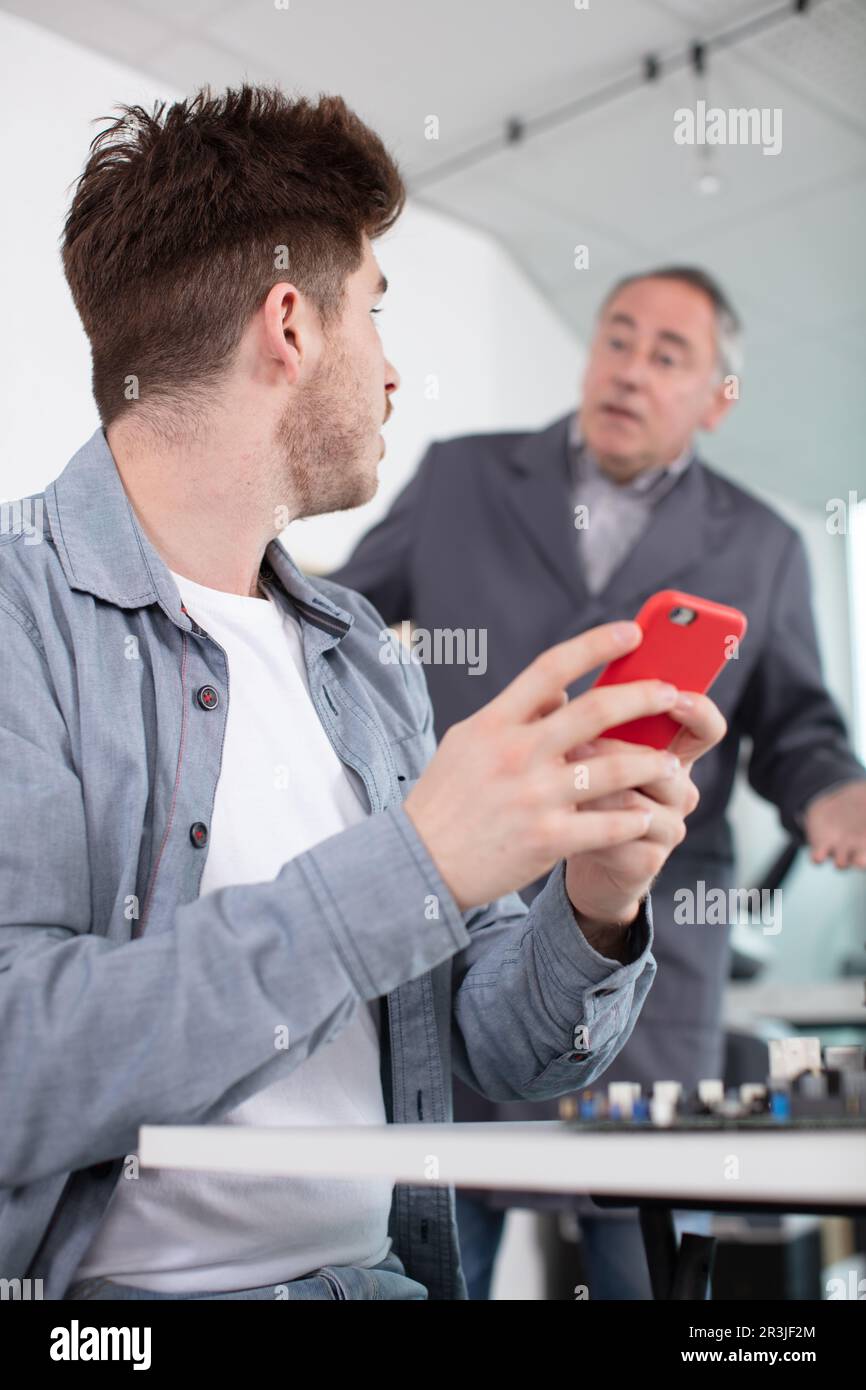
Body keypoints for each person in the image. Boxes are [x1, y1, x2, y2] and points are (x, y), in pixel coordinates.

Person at [0, 86, 725, 1302]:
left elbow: (495, 1043)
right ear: (289, 322)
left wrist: (594, 905)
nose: (391, 374)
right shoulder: (20, 617)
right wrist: (413, 865)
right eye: (373, 316)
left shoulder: (361, 658)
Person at [329, 265, 866, 1298]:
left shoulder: (758, 544)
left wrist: (831, 790)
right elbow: (337, 628)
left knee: (646, 1267)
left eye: (667, 356)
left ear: (717, 397)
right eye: (615, 338)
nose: (628, 369)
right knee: (434, 1246)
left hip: (642, 952)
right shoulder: (459, 477)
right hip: (456, 920)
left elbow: (797, 724)